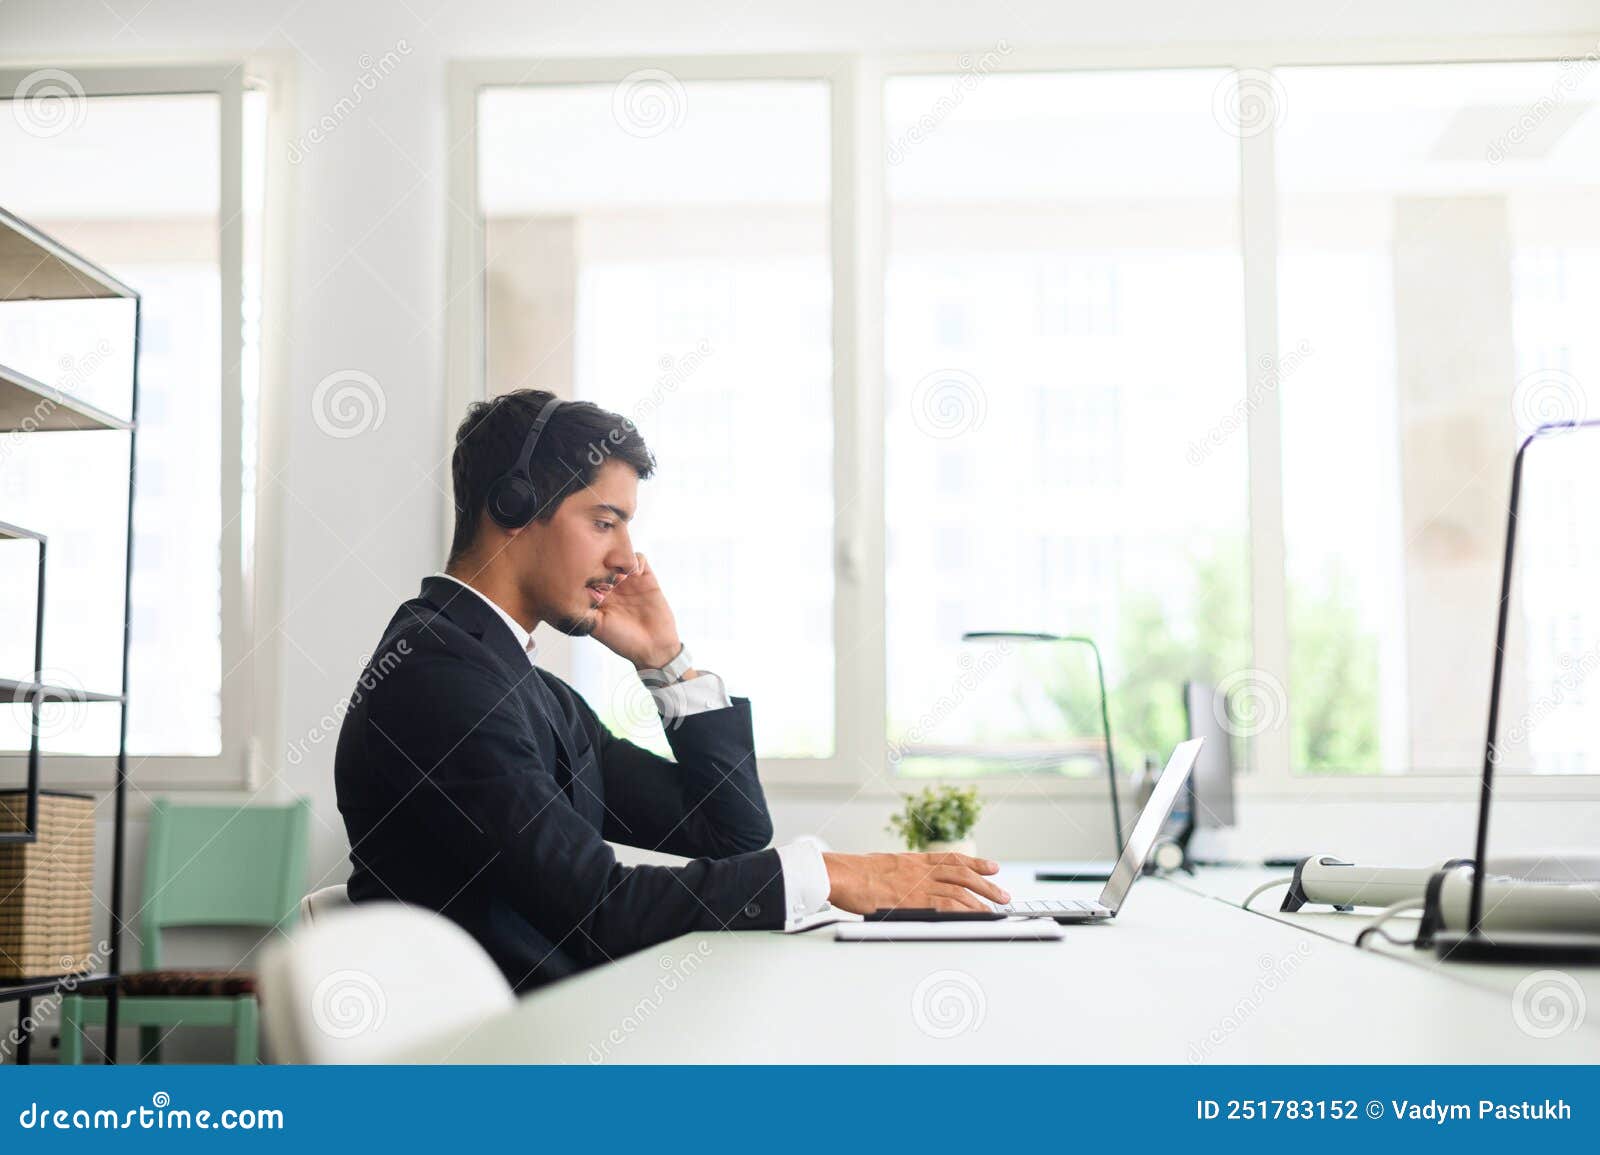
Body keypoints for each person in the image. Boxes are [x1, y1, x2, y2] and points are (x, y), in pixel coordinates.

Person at [333, 389, 1008, 991]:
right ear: (514, 506)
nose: (628, 556)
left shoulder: (526, 686)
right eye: (604, 521)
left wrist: (665, 663)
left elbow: (731, 833)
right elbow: (602, 910)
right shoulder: (436, 677)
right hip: (502, 1072)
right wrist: (827, 874)